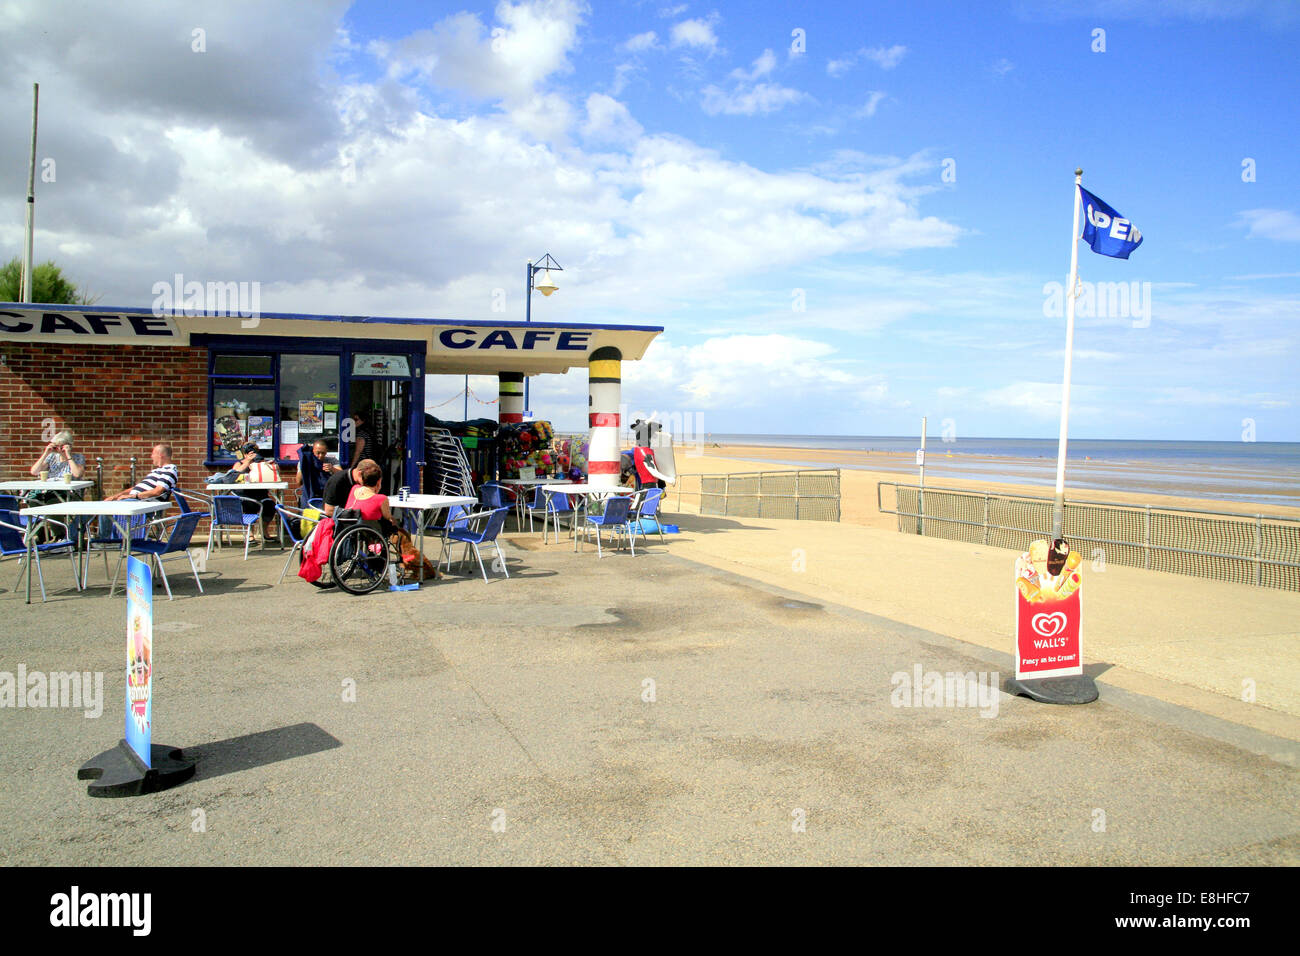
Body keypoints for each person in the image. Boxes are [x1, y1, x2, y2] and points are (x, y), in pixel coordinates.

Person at [230, 441, 279, 537]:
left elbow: (274, 475)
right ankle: (250, 533)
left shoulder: (261, 463)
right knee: (249, 506)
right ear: (245, 454)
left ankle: (264, 530)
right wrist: (247, 461)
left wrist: (270, 466)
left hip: (261, 495)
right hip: (245, 496)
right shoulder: (239, 463)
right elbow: (234, 474)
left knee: (270, 505)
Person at [106, 444, 179, 501]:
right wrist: (116, 496)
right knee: (106, 504)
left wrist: (133, 496)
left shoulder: (169, 470)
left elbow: (157, 491)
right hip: (134, 500)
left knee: (106, 510)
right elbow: (136, 487)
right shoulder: (157, 471)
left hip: (140, 503)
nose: (151, 456)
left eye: (153, 454)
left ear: (160, 455)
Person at [298, 439, 335, 508]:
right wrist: (304, 467)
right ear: (313, 451)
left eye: (323, 453)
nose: (320, 456)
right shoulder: (305, 461)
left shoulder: (332, 460)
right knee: (310, 518)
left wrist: (332, 469)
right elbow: (298, 482)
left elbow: (341, 473)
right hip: (309, 497)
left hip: (326, 497)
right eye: (318, 453)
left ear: (326, 452)